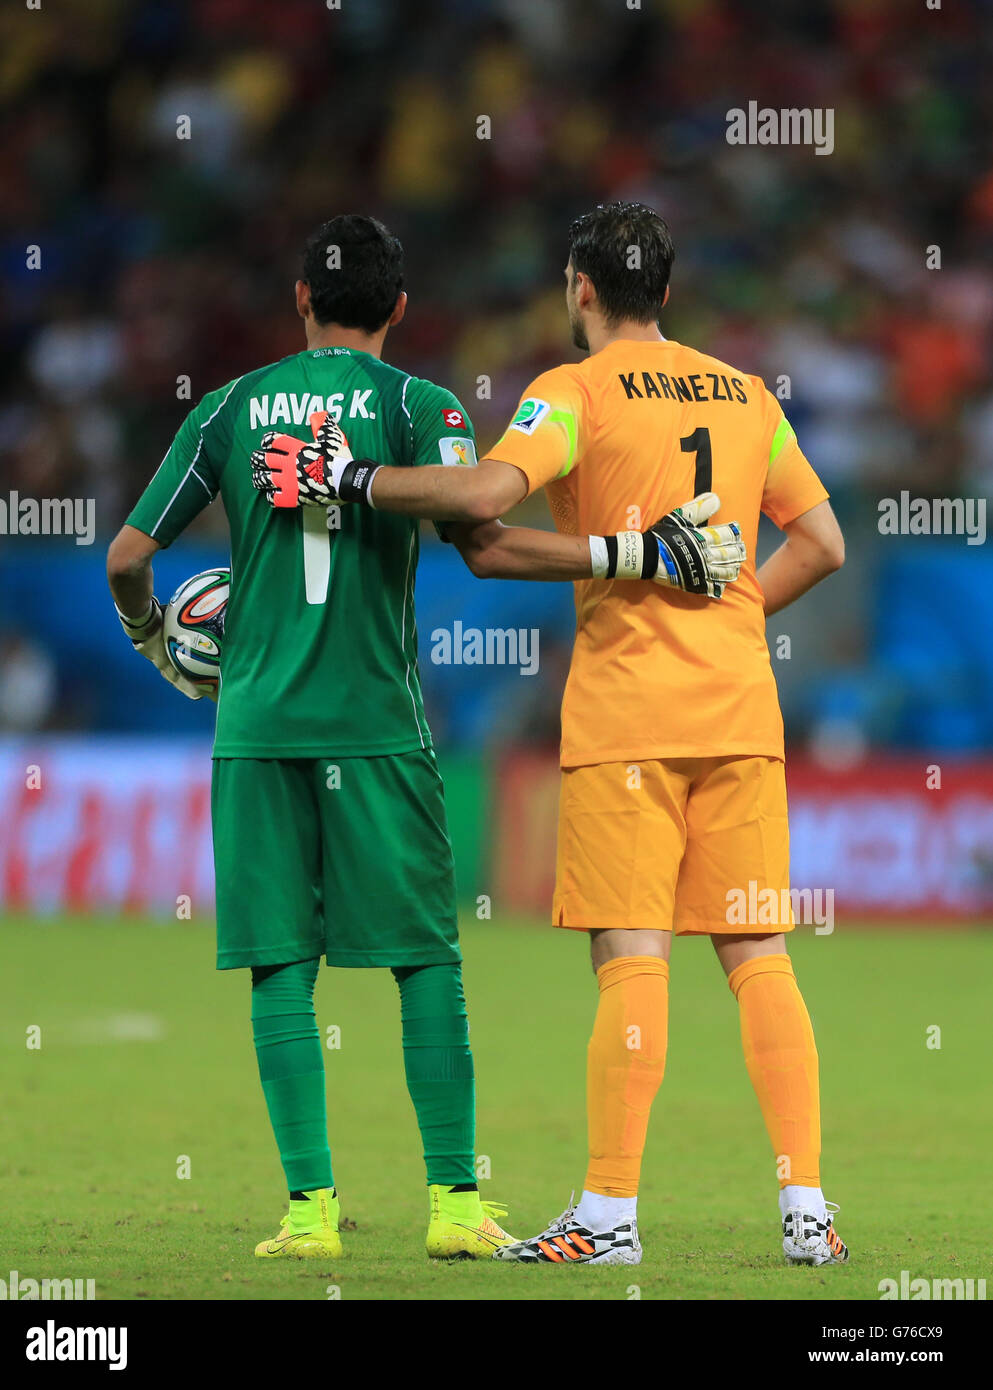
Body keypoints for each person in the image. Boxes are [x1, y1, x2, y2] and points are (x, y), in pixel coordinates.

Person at [106, 212, 742, 1263]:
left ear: (300, 300)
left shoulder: (225, 409)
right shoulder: (422, 407)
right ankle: (453, 1203)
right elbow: (486, 544)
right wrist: (635, 553)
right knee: (424, 961)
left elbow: (132, 555)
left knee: (278, 963)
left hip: (256, 725)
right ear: (401, 310)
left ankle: (309, 1215)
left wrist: (155, 643)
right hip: (379, 723)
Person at [253, 200, 846, 1269]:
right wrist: (733, 611)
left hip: (629, 716)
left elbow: (484, 505)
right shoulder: (750, 394)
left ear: (579, 289)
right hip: (743, 713)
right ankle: (807, 1206)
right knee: (759, 952)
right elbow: (825, 539)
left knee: (632, 959)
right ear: (662, 291)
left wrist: (354, 479)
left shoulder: (573, 392)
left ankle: (609, 1215)